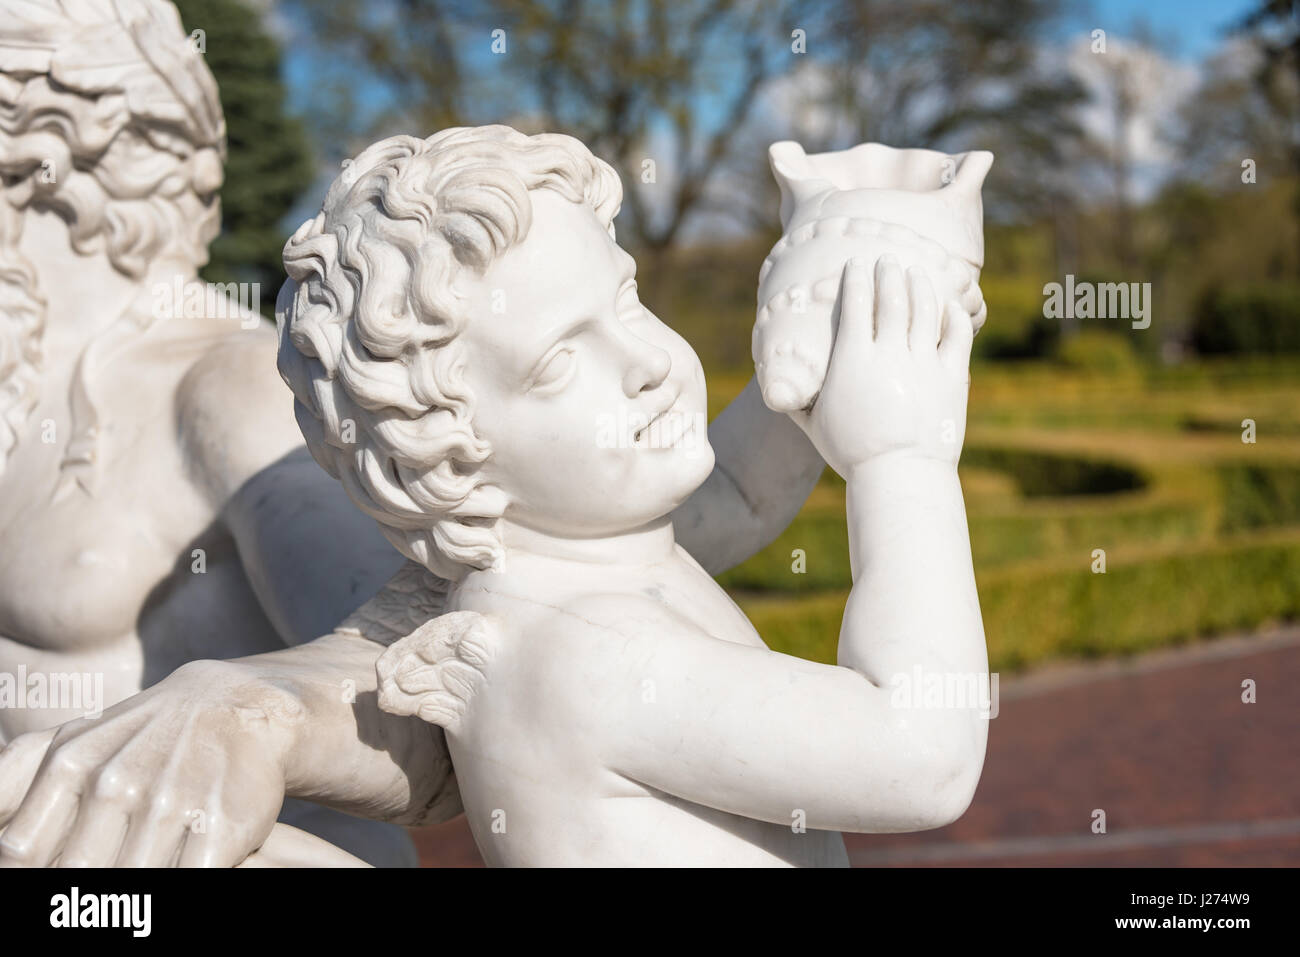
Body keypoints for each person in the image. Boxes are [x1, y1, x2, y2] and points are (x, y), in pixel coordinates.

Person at [1, 125, 986, 866]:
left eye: (628, 298)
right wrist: (903, 453)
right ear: (453, 455)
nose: (646, 365)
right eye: (560, 363)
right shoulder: (576, 656)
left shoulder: (599, 549)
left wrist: (837, 308)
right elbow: (921, 757)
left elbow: (731, 490)